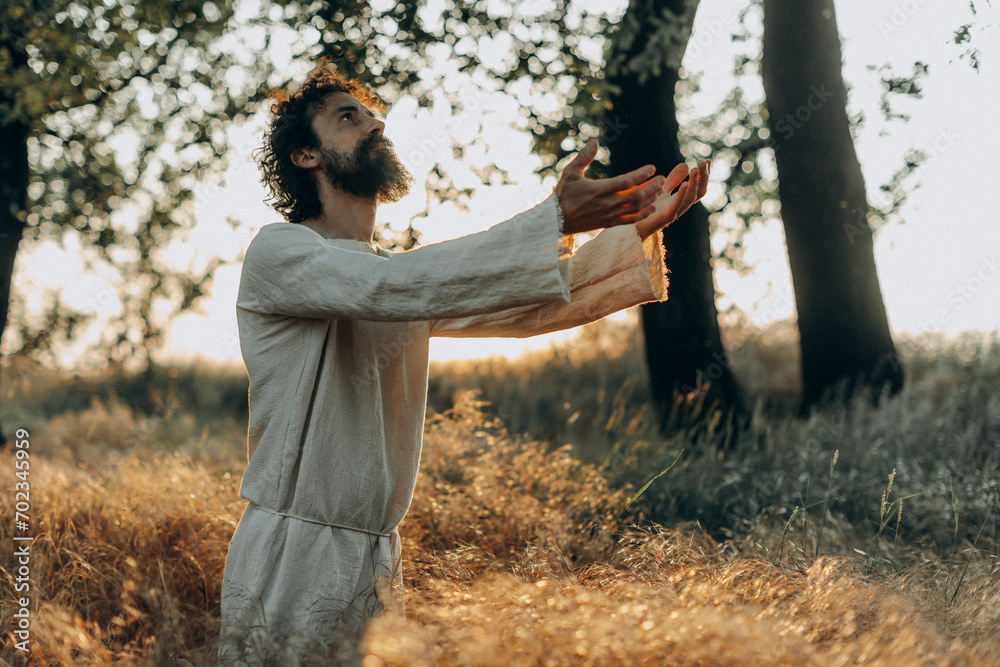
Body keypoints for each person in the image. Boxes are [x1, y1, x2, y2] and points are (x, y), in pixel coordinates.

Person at [217, 63, 709, 665]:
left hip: (374, 557)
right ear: (305, 156)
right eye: (349, 118)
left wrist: (632, 234)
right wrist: (553, 217)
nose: (374, 126)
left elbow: (524, 309)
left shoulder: (398, 278)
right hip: (292, 555)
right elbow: (386, 287)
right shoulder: (282, 252)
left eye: (374, 115)